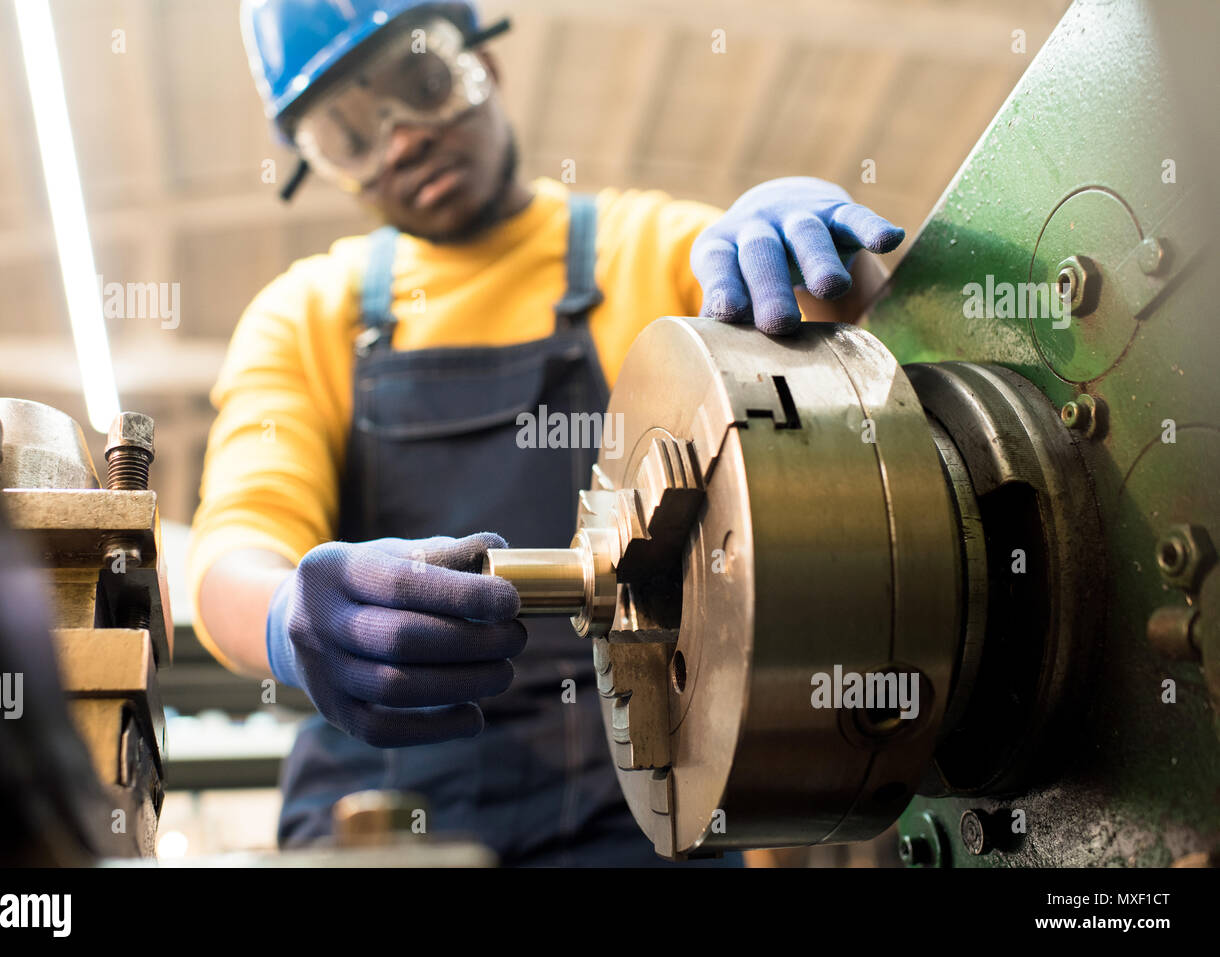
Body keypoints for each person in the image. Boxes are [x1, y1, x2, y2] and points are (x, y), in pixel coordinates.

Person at [190, 0, 906, 866]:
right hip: (388, 798)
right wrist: (282, 618)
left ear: (485, 66)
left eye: (423, 83)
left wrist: (836, 267)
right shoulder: (305, 316)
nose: (404, 139)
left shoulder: (646, 248)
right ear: (322, 167)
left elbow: (842, 377)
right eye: (350, 132)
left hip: (647, 792)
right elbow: (234, 546)